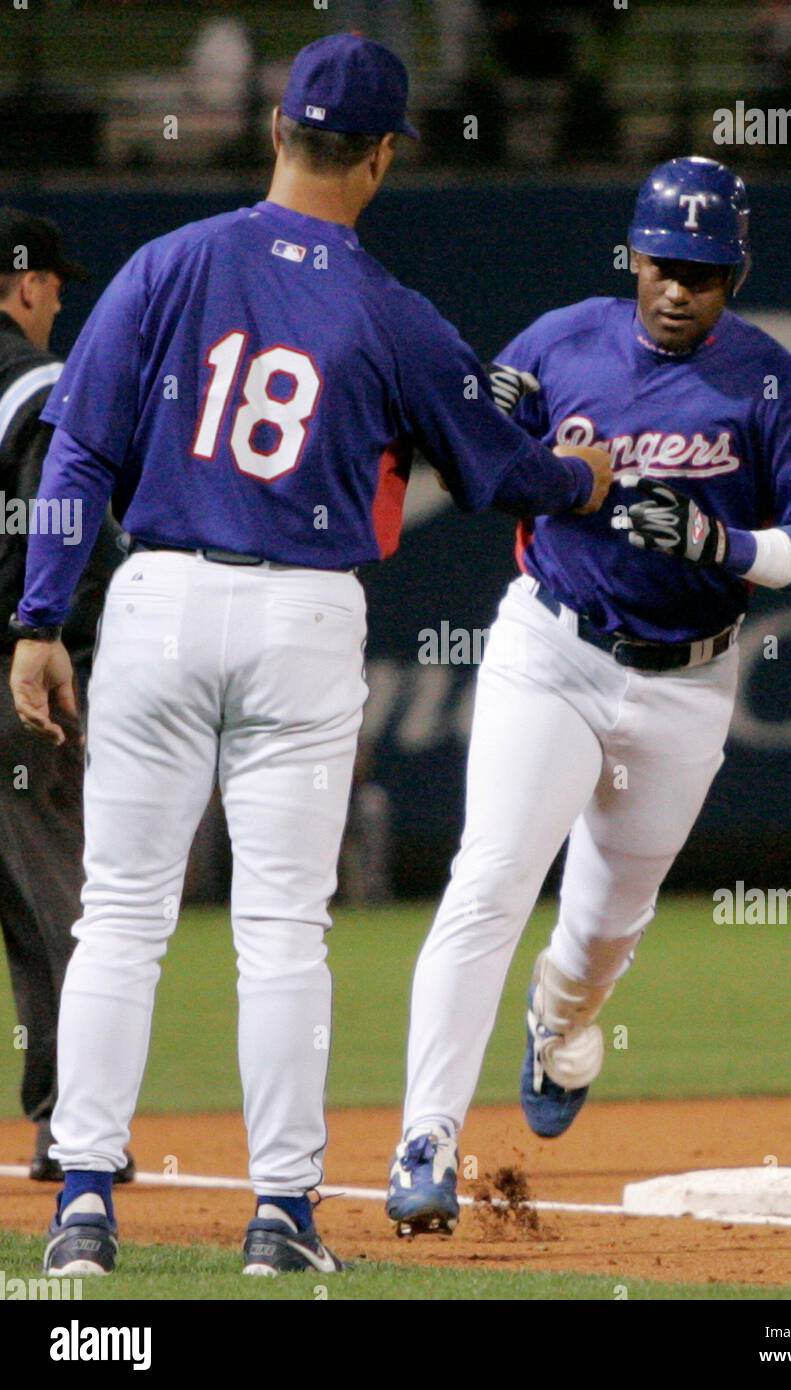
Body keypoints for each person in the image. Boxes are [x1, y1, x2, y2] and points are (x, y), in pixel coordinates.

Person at [8, 33, 612, 1278]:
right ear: (382, 158)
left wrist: (36, 619)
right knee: (281, 926)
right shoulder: (389, 311)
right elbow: (498, 471)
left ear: (277, 121)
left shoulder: (169, 265)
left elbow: (74, 456)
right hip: (302, 617)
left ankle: (80, 1205)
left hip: (160, 598)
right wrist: (581, 474)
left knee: (117, 917)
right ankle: (281, 1216)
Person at [386, 156, 791, 1238]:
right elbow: (471, 453)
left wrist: (723, 541)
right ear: (633, 253)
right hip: (551, 645)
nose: (676, 288)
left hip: (687, 681)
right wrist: (486, 410)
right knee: (489, 879)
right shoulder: (563, 339)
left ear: (731, 274)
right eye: (662, 262)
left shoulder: (775, 386)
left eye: (701, 271)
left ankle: (558, 1020)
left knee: (604, 931)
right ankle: (424, 1137)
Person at [0, 210, 131, 1186]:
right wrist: (49, 635)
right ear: (28, 285)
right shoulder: (36, 379)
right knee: (57, 904)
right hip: (13, 672)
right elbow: (61, 500)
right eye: (53, 281)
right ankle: (71, 1121)